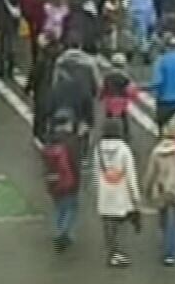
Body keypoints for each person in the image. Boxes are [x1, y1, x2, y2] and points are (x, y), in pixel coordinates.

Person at [143, 121, 175, 265]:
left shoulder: (156, 152)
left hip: (161, 189)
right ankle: (170, 252)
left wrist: (146, 191)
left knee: (163, 217)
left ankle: (164, 238)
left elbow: (150, 174)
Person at [94, 118, 141, 267]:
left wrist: (97, 189)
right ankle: (119, 253)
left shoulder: (98, 149)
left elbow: (96, 173)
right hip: (121, 194)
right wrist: (136, 197)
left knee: (108, 224)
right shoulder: (124, 149)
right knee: (121, 224)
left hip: (105, 193)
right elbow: (131, 175)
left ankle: (112, 252)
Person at [41, 107, 87, 251]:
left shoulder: (49, 140)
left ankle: (60, 230)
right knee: (71, 208)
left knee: (59, 208)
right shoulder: (71, 141)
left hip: (53, 180)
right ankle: (63, 233)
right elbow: (77, 160)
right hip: (70, 181)